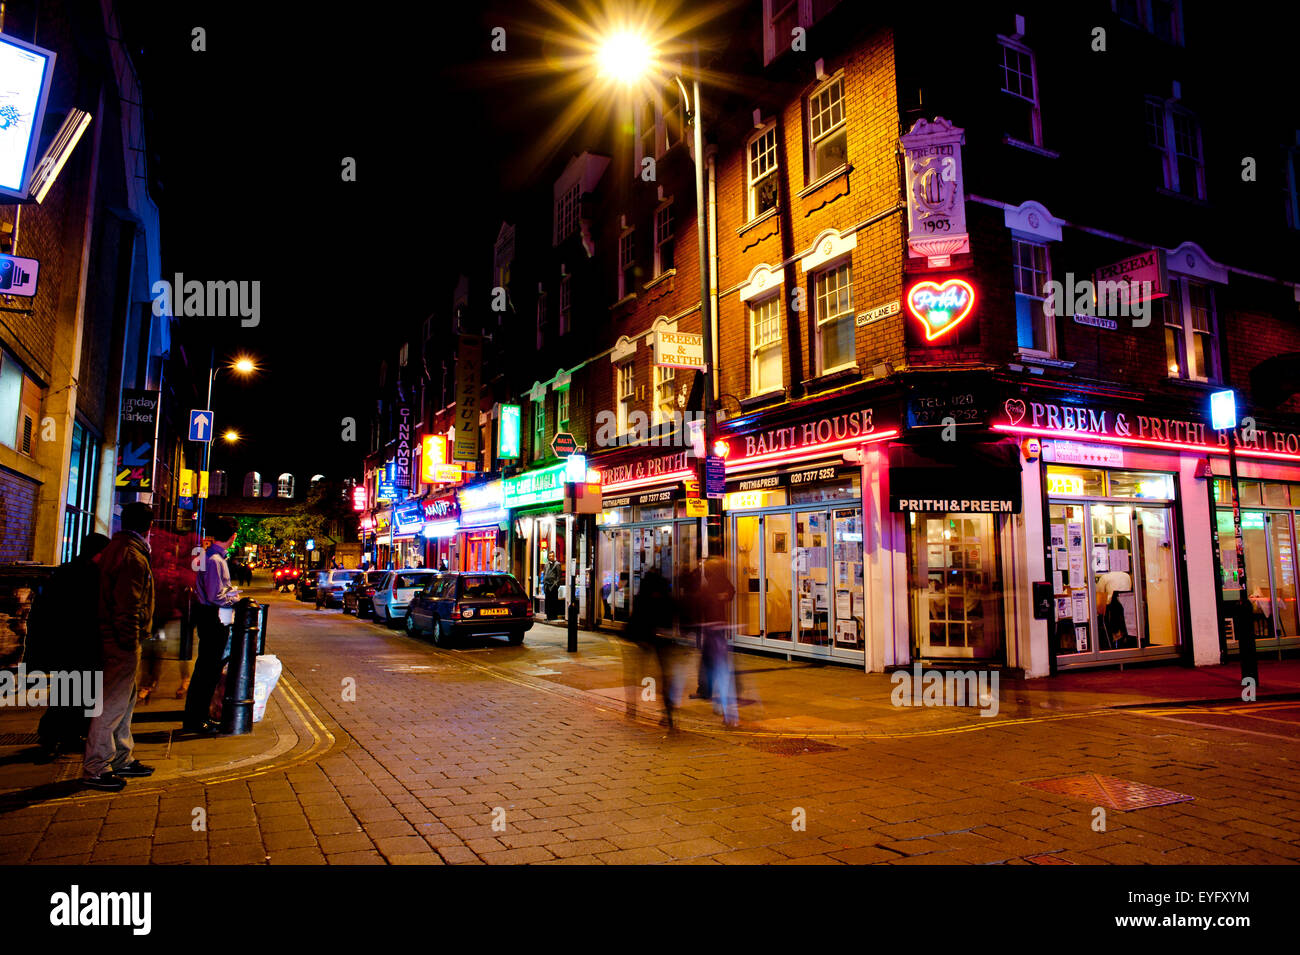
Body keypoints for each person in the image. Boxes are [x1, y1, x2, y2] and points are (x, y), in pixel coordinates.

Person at [83, 503, 156, 790]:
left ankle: (122, 758)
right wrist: (128, 642)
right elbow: (128, 605)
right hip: (121, 641)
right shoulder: (132, 556)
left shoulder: (119, 547)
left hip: (118, 638)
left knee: (124, 702)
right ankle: (96, 767)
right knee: (112, 704)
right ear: (148, 527)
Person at [25, 533, 110, 762]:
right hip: (78, 642)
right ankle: (52, 736)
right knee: (70, 692)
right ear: (97, 553)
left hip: (73, 642)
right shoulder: (86, 574)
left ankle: (67, 735)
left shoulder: (68, 571)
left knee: (75, 691)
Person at [183, 516, 242, 733]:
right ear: (233, 537)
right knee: (207, 671)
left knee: (206, 669)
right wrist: (236, 599)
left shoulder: (209, 556)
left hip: (209, 617)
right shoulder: (215, 560)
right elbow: (217, 595)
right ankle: (197, 720)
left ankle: (197, 717)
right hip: (213, 618)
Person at [624, 567, 679, 728]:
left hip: (644, 640)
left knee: (635, 674)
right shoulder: (665, 596)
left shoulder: (643, 596)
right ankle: (667, 711)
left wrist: (631, 634)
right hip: (662, 640)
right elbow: (674, 612)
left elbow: (636, 618)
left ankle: (632, 708)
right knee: (664, 676)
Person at [697, 556, 737, 726]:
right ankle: (710, 692)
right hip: (715, 626)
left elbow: (730, 592)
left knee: (714, 663)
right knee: (714, 662)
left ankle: (715, 697)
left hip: (713, 627)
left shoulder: (714, 581)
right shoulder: (714, 582)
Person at [543, 557, 562, 622]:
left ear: (554, 557)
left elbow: (559, 576)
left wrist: (556, 584)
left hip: (553, 586)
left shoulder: (557, 564)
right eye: (549, 556)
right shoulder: (546, 564)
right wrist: (544, 582)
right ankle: (548, 616)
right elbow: (545, 573)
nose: (551, 557)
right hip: (547, 585)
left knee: (553, 601)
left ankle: (553, 616)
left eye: (552, 556)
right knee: (548, 601)